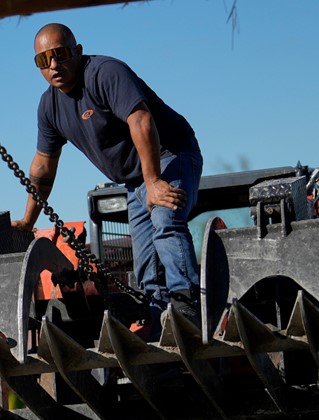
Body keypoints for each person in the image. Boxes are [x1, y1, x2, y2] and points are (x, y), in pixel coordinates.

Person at [12, 23, 204, 339]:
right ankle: (159, 326)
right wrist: (27, 220)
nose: (54, 65)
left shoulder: (105, 73)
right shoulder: (49, 107)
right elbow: (43, 165)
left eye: (59, 55)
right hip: (133, 181)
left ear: (77, 51)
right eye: (43, 60)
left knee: (166, 219)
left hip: (170, 154)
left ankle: (187, 309)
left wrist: (154, 180)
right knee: (144, 259)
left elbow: (141, 119)